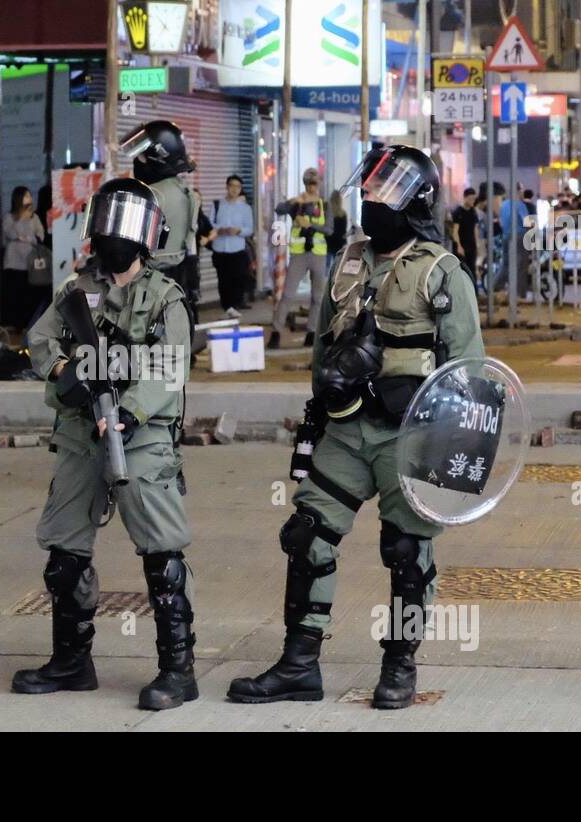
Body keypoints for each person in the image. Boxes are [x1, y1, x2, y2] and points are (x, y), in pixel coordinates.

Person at [227, 145, 484, 709]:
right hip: (345, 430)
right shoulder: (347, 260)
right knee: (308, 536)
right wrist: (316, 411)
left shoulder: (443, 274)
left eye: (382, 190)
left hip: (408, 437)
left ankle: (399, 665)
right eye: (366, 188)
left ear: (414, 201)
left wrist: (452, 459)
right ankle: (299, 665)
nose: (369, 198)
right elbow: (323, 348)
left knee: (407, 552)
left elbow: (470, 375)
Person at [15, 177, 197, 711]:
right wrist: (69, 371)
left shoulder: (165, 298)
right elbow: (40, 339)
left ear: (146, 235)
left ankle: (178, 670)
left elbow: (169, 369)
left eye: (125, 224)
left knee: (163, 558)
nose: (112, 235)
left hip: (138, 439)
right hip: (79, 433)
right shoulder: (79, 288)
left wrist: (129, 412)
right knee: (63, 555)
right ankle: (72, 661)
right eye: (106, 222)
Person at [120, 121, 202, 324]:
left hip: (144, 287)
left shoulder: (151, 195)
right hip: (177, 281)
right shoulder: (188, 193)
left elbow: (125, 247)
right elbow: (191, 248)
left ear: (156, 159)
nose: (138, 162)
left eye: (141, 156)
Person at [271, 168, 332, 349]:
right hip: (299, 254)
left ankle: (311, 332)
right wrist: (293, 201)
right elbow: (279, 209)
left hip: (318, 255)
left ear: (319, 184)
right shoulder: (297, 204)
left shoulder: (325, 205)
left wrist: (310, 225)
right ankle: (276, 332)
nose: (311, 187)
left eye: (314, 183)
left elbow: (329, 229)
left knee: (317, 297)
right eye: (308, 184)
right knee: (288, 294)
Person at [0, 186, 46, 329]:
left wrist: (26, 237)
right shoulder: (9, 217)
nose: (30, 198)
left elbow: (40, 236)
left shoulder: (35, 217)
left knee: (29, 294)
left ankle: (28, 322)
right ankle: (13, 323)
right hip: (13, 262)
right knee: (13, 293)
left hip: (30, 262)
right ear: (18, 198)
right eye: (26, 196)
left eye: (30, 195)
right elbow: (9, 233)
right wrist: (22, 221)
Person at [210, 174, 254, 318]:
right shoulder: (217, 205)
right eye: (232, 186)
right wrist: (219, 229)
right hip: (220, 249)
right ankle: (227, 307)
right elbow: (210, 224)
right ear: (227, 187)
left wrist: (238, 230)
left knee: (237, 279)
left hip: (237, 249)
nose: (234, 189)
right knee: (223, 280)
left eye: (238, 187)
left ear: (240, 189)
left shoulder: (245, 208)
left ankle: (234, 305)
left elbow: (250, 228)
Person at [450, 187, 480, 281]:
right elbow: (455, 231)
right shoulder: (458, 212)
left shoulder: (473, 212)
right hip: (461, 245)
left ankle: (474, 292)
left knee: (472, 269)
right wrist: (458, 246)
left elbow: (475, 229)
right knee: (462, 269)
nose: (473, 201)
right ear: (465, 197)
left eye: (474, 199)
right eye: (471, 199)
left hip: (471, 245)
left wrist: (477, 243)